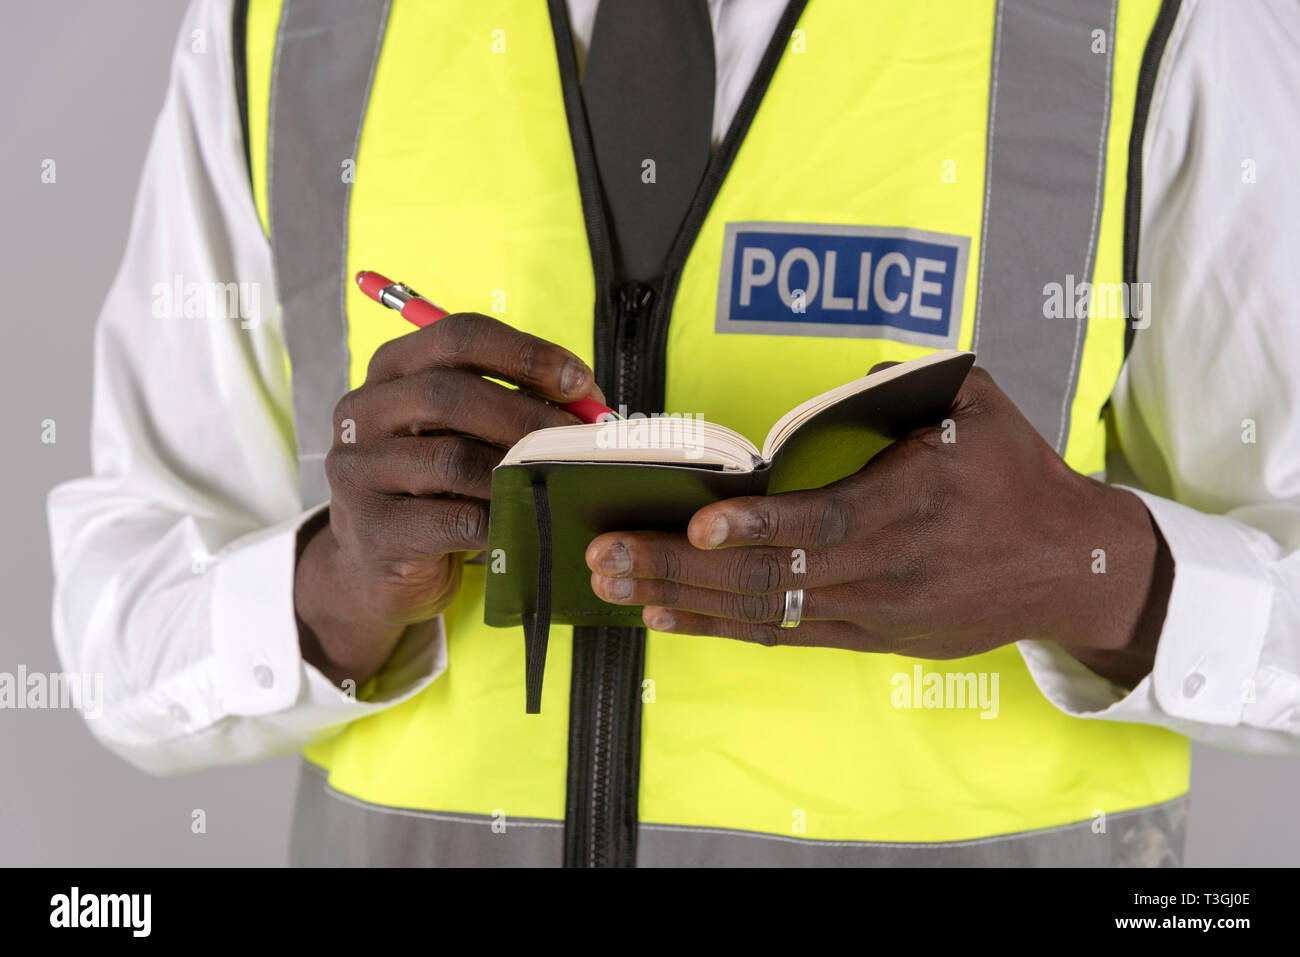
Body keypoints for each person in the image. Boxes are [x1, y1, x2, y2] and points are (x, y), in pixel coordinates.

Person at [50, 0, 1300, 867]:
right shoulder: (282, 30)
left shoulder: (1152, 26)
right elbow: (121, 623)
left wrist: (1098, 572)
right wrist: (325, 592)